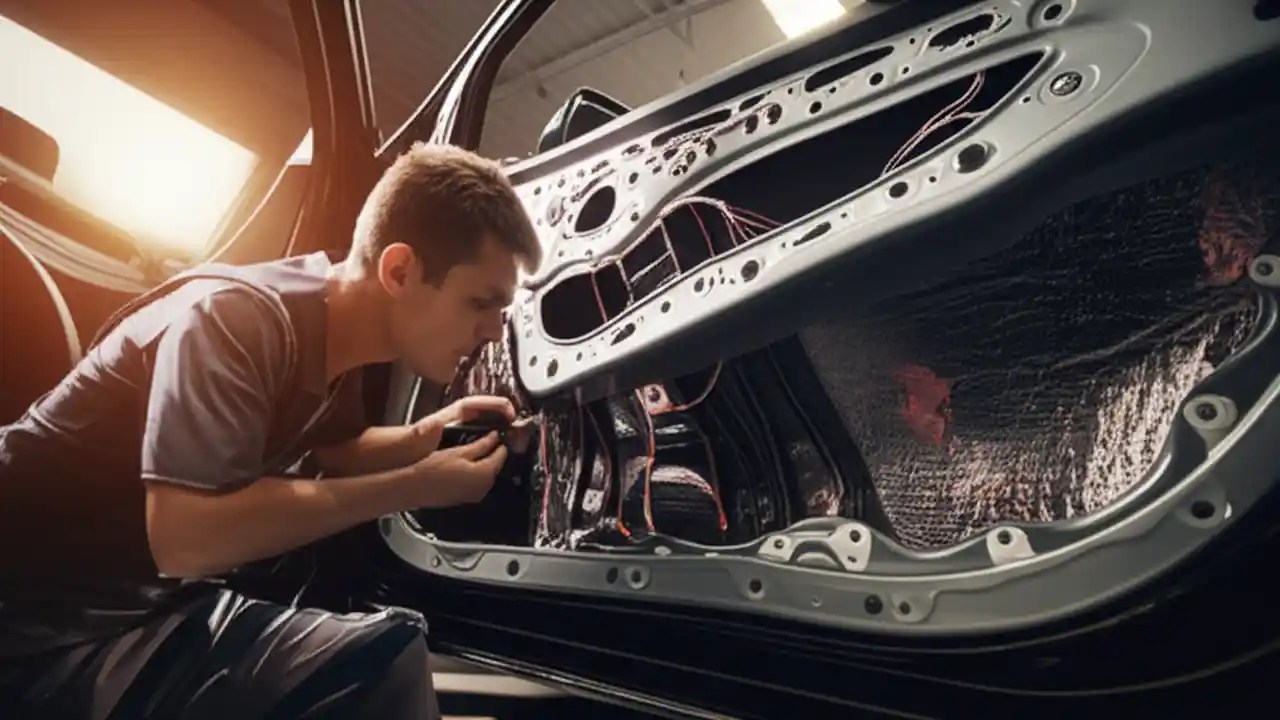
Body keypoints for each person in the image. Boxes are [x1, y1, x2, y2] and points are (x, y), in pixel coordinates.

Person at [0, 142, 541, 718]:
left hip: (123, 609)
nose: (493, 330)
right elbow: (185, 537)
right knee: (380, 668)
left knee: (383, 656)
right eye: (480, 303)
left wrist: (425, 436)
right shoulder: (234, 320)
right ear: (400, 270)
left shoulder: (333, 333)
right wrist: (412, 487)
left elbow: (330, 451)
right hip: (30, 627)